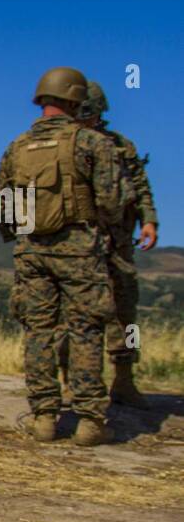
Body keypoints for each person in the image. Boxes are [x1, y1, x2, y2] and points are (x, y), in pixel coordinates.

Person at [0, 67, 124, 446]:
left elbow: (2, 204)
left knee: (38, 331)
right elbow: (113, 203)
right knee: (85, 330)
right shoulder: (92, 143)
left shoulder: (17, 146)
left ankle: (44, 417)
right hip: (80, 249)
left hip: (31, 251)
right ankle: (88, 421)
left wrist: (19, 239)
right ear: (74, 99)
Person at [78, 79, 159, 408]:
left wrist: (149, 219)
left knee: (125, 311)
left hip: (118, 241)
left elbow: (140, 185)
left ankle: (125, 379)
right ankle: (77, 381)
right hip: (79, 245)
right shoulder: (68, 147)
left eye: (90, 114)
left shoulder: (121, 147)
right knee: (79, 314)